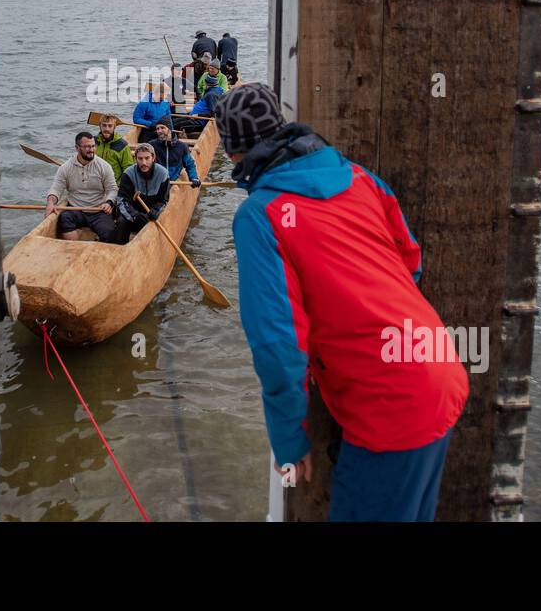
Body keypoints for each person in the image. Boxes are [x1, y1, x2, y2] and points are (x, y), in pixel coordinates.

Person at [213, 83, 467, 522]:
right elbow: (410, 259)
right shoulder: (358, 176)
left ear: (234, 153)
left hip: (389, 406)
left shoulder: (259, 215)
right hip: (439, 369)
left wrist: (289, 443)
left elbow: (278, 346)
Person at [46, 131, 119, 242]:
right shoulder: (65, 168)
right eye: (87, 147)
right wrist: (51, 202)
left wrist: (109, 203)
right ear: (77, 148)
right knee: (64, 218)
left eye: (93, 146)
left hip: (99, 210)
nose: (91, 150)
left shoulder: (104, 166)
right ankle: (74, 247)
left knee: (110, 236)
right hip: (76, 209)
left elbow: (112, 189)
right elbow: (56, 189)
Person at [114, 144, 171, 244]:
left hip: (150, 213)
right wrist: (135, 215)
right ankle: (121, 247)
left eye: (147, 158)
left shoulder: (163, 174)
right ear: (135, 159)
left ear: (153, 158)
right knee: (122, 222)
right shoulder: (128, 174)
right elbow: (122, 201)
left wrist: (155, 211)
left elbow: (163, 200)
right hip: (132, 214)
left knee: (153, 225)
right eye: (140, 159)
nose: (143, 163)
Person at [150, 117, 199, 187]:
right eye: (157, 129)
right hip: (157, 182)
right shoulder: (152, 145)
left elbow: (190, 164)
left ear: (170, 129)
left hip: (173, 182)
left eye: (162, 128)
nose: (159, 131)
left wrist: (194, 178)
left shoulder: (182, 146)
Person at [95, 114, 133, 185]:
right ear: (100, 126)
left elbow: (128, 168)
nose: (107, 129)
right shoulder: (94, 142)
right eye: (104, 125)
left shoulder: (122, 145)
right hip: (95, 184)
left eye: (110, 126)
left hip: (114, 185)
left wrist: (120, 185)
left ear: (114, 127)